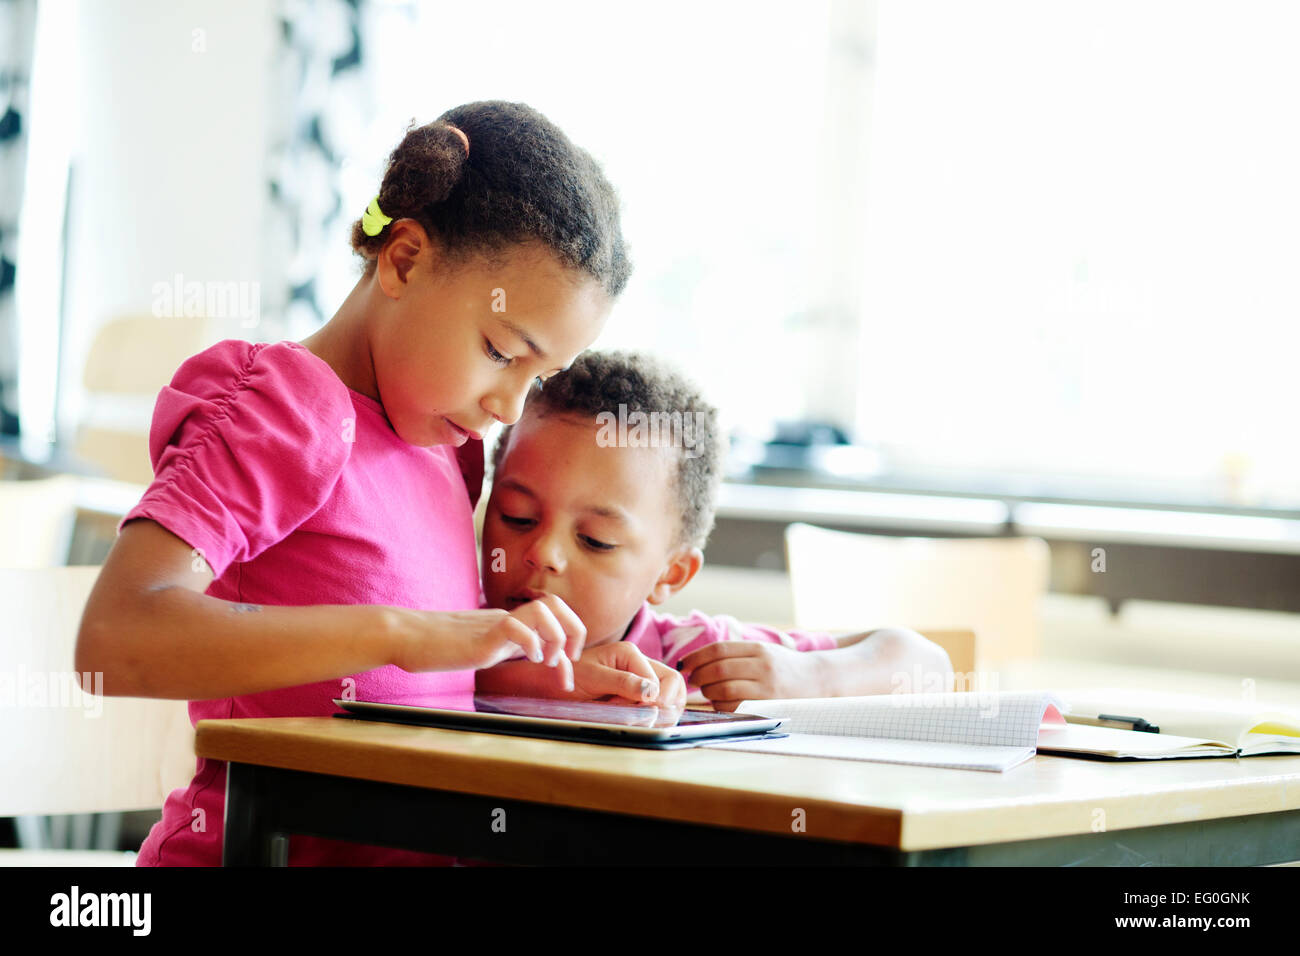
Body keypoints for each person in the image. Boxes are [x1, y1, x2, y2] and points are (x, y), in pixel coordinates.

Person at [75, 101, 629, 865]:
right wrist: (399, 630)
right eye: (502, 352)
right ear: (404, 259)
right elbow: (117, 638)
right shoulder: (286, 407)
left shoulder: (443, 446)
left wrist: (553, 682)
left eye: (541, 377)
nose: (507, 407)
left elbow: (418, 693)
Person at [475, 350, 954, 711]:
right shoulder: (445, 624)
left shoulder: (687, 656)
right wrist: (551, 681)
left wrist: (814, 677)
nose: (544, 553)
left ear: (671, 574)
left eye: (596, 540)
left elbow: (924, 663)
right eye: (517, 516)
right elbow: (408, 674)